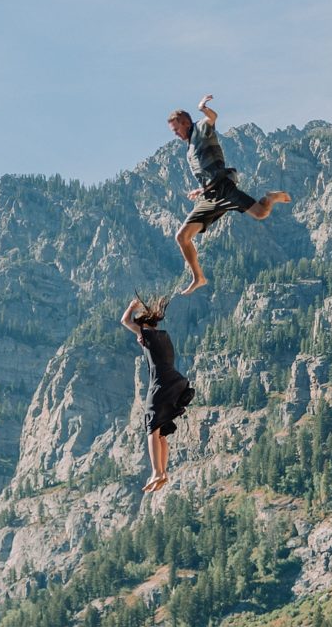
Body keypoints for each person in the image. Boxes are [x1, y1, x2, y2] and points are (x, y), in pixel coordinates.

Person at [168, 93, 291, 293]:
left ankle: (271, 197)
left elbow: (212, 118)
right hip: (210, 197)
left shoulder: (200, 129)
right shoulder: (189, 147)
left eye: (176, 129)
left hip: (225, 189)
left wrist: (203, 108)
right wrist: (201, 189)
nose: (175, 134)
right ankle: (198, 277)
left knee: (261, 213)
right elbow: (207, 172)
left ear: (186, 123)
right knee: (182, 237)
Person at [121, 294, 194, 492]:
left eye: (138, 333)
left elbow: (125, 321)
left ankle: (156, 471)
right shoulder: (164, 336)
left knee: (152, 427)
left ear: (143, 326)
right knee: (161, 431)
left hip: (161, 384)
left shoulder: (148, 335)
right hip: (176, 382)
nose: (138, 338)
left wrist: (132, 305)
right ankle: (163, 472)